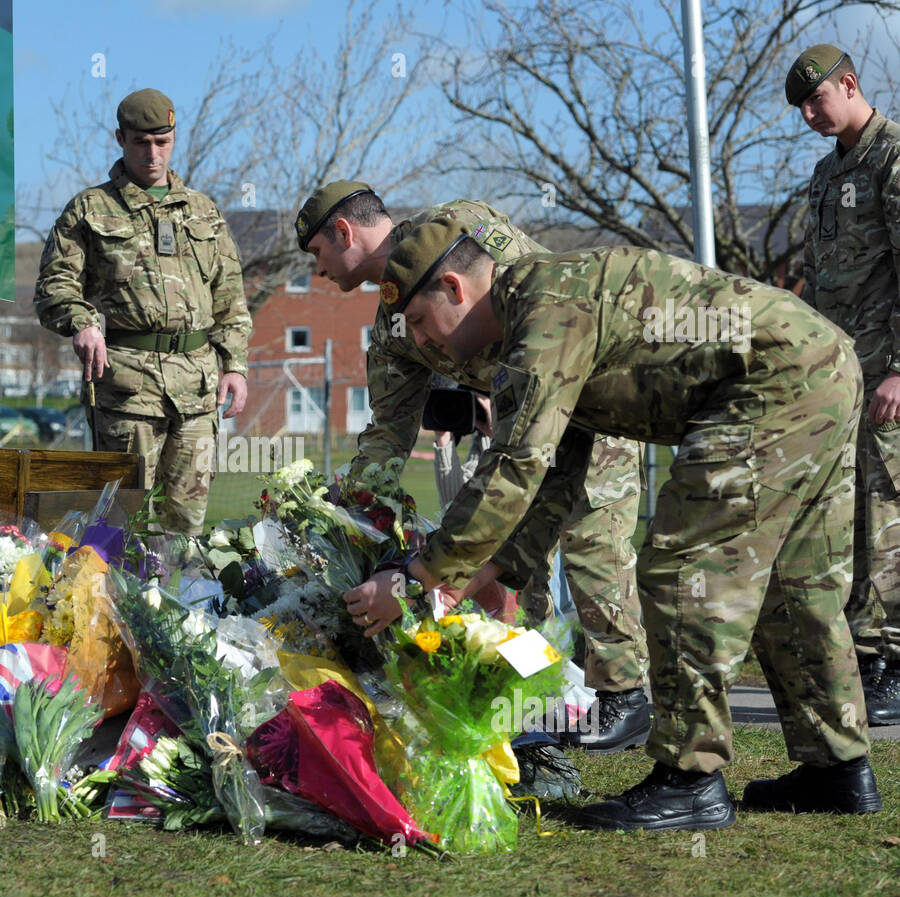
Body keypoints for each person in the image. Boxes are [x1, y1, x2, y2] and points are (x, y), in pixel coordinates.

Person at [343, 219, 881, 830]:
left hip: (771, 382)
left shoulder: (546, 308)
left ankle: (691, 779)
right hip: (817, 363)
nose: (424, 343)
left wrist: (420, 576)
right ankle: (837, 768)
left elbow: (516, 463)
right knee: (796, 581)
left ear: (454, 287)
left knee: (682, 568)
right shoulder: (535, 318)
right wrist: (498, 569)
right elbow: (556, 469)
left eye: (418, 322)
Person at [295, 181, 650, 753]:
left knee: (593, 539)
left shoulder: (459, 227)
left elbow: (541, 300)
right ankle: (543, 689)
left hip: (582, 395)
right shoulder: (390, 328)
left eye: (316, 254)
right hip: (519, 430)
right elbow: (388, 430)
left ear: (344, 232)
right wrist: (351, 511)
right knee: (518, 561)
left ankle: (625, 697)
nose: (317, 271)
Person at [34, 89, 252, 534]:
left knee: (184, 530)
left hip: (197, 389)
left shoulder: (203, 212)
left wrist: (236, 364)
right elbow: (53, 287)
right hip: (127, 392)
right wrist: (82, 322)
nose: (153, 154)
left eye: (163, 141)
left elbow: (230, 297)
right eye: (140, 142)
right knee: (123, 527)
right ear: (120, 138)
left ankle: (177, 603)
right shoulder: (90, 210)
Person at [789, 45, 900, 725]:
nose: (807, 114)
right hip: (838, 372)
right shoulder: (826, 176)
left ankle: (888, 655)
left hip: (885, 369)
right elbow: (812, 274)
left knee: (887, 505)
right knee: (851, 508)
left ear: (850, 84)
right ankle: (861, 651)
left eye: (816, 100)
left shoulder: (892, 158)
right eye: (800, 107)